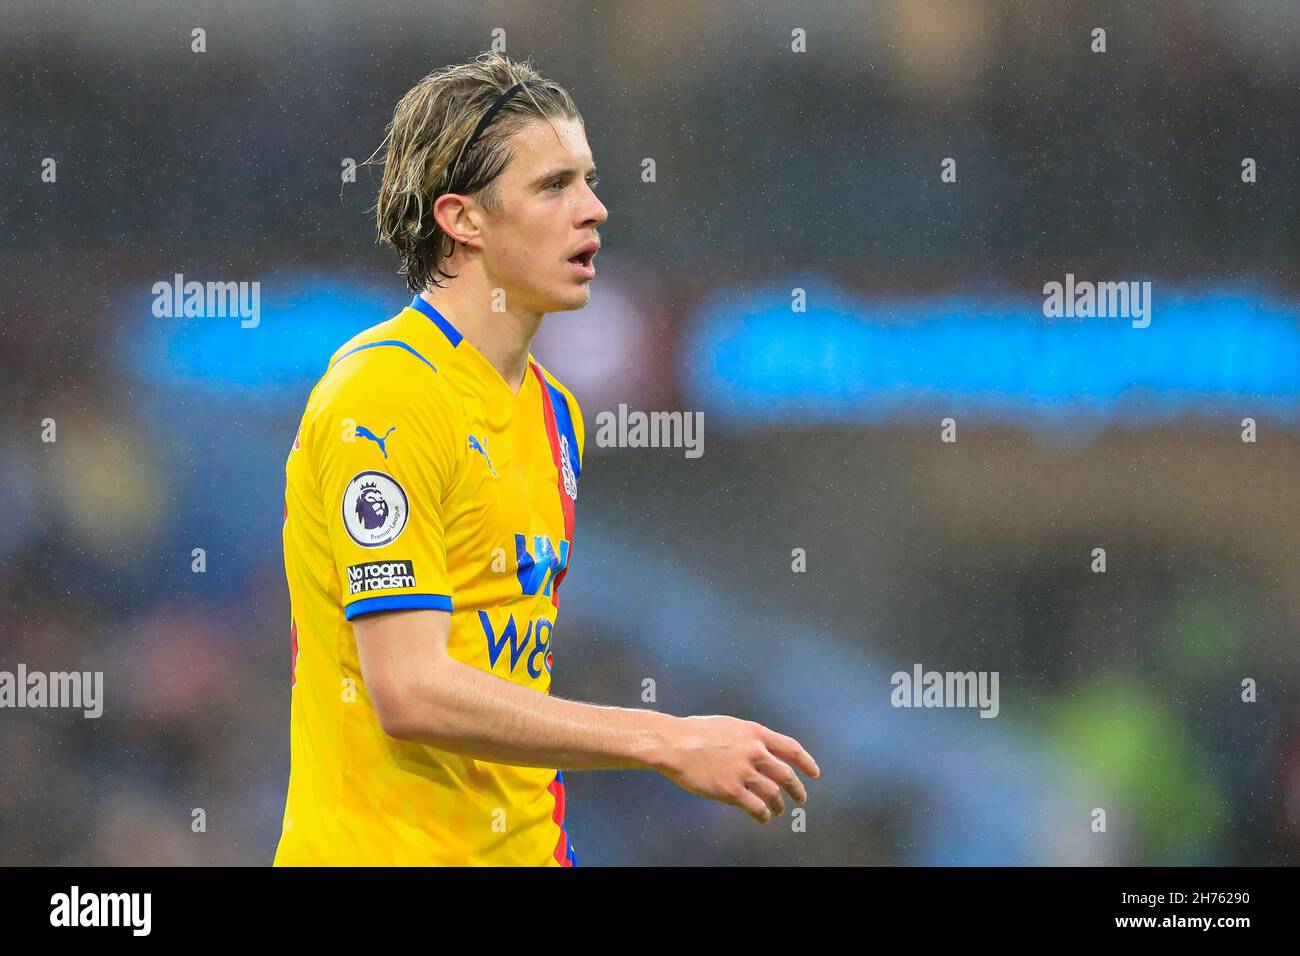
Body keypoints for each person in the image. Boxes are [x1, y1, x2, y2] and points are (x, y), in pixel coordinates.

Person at [274, 52, 818, 866]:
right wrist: (662, 738)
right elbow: (410, 689)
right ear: (464, 219)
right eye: (554, 186)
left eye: (590, 180)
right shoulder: (386, 395)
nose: (595, 209)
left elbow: (507, 676)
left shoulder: (555, 414)